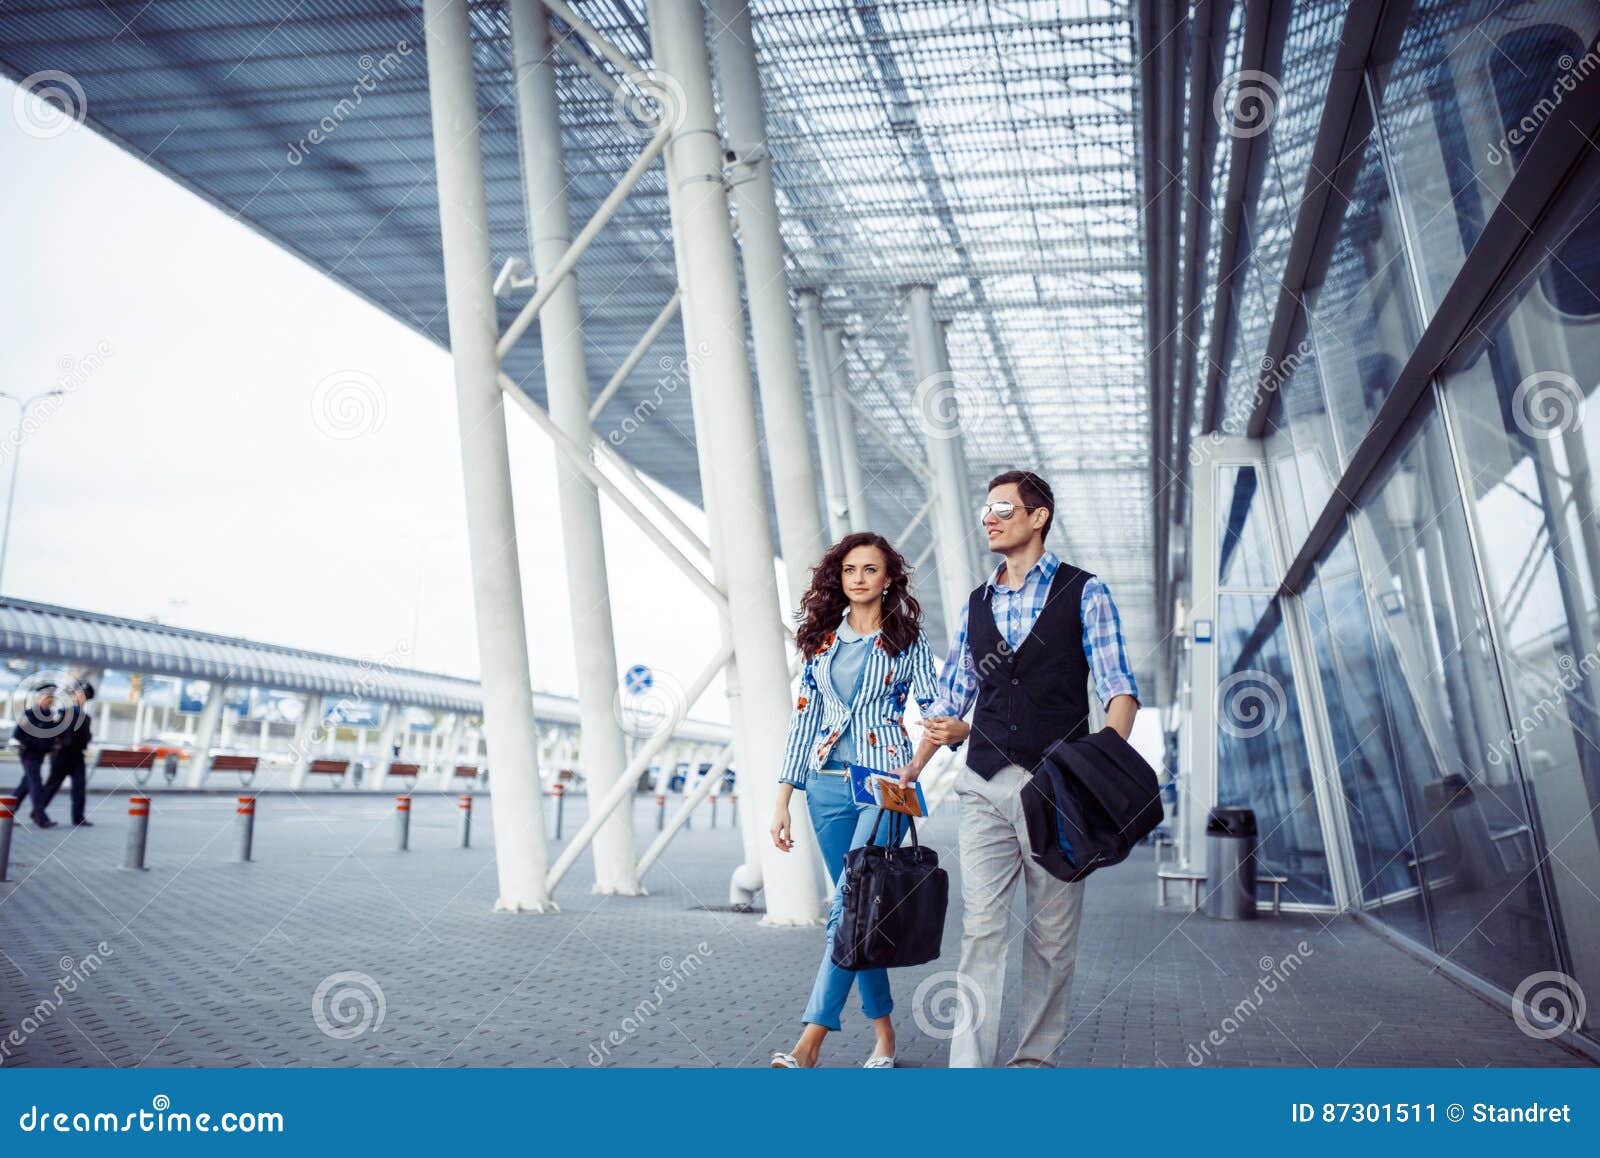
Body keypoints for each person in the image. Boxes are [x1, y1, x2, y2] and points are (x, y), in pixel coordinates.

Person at [896, 469, 1140, 1067]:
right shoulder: (976, 603)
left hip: (1057, 791)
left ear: (1039, 516)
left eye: (1003, 508)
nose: (989, 518)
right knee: (982, 928)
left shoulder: (1086, 592)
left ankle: (1034, 1064)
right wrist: (911, 770)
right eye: (985, 510)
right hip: (980, 784)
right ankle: (969, 1070)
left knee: (1052, 939)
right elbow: (951, 697)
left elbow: (1119, 692)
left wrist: (1098, 774)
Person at [768, 531, 941, 1069]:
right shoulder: (821, 643)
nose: (859, 578)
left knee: (848, 906)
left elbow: (936, 714)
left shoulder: (907, 641)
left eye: (870, 569)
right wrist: (783, 799)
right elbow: (803, 722)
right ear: (839, 579)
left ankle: (810, 1042)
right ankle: (885, 1038)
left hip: (884, 783)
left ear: (888, 579)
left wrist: (913, 770)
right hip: (825, 784)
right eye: (850, 570)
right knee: (863, 915)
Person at [40, 680, 95, 827]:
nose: (81, 698)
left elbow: (86, 737)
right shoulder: (62, 713)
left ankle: (78, 817)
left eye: (85, 696)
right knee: (53, 785)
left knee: (79, 786)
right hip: (61, 754)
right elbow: (52, 733)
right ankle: (38, 812)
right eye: (79, 695)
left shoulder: (86, 717)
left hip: (77, 756)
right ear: (73, 696)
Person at [10, 683, 64, 828]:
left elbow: (52, 736)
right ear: (40, 697)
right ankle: (41, 819)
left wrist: (53, 746)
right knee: (36, 784)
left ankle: (6, 814)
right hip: (29, 755)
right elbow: (17, 735)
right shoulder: (30, 714)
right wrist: (31, 744)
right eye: (47, 697)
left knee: (25, 786)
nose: (49, 700)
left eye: (51, 697)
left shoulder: (51, 716)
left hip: (40, 756)